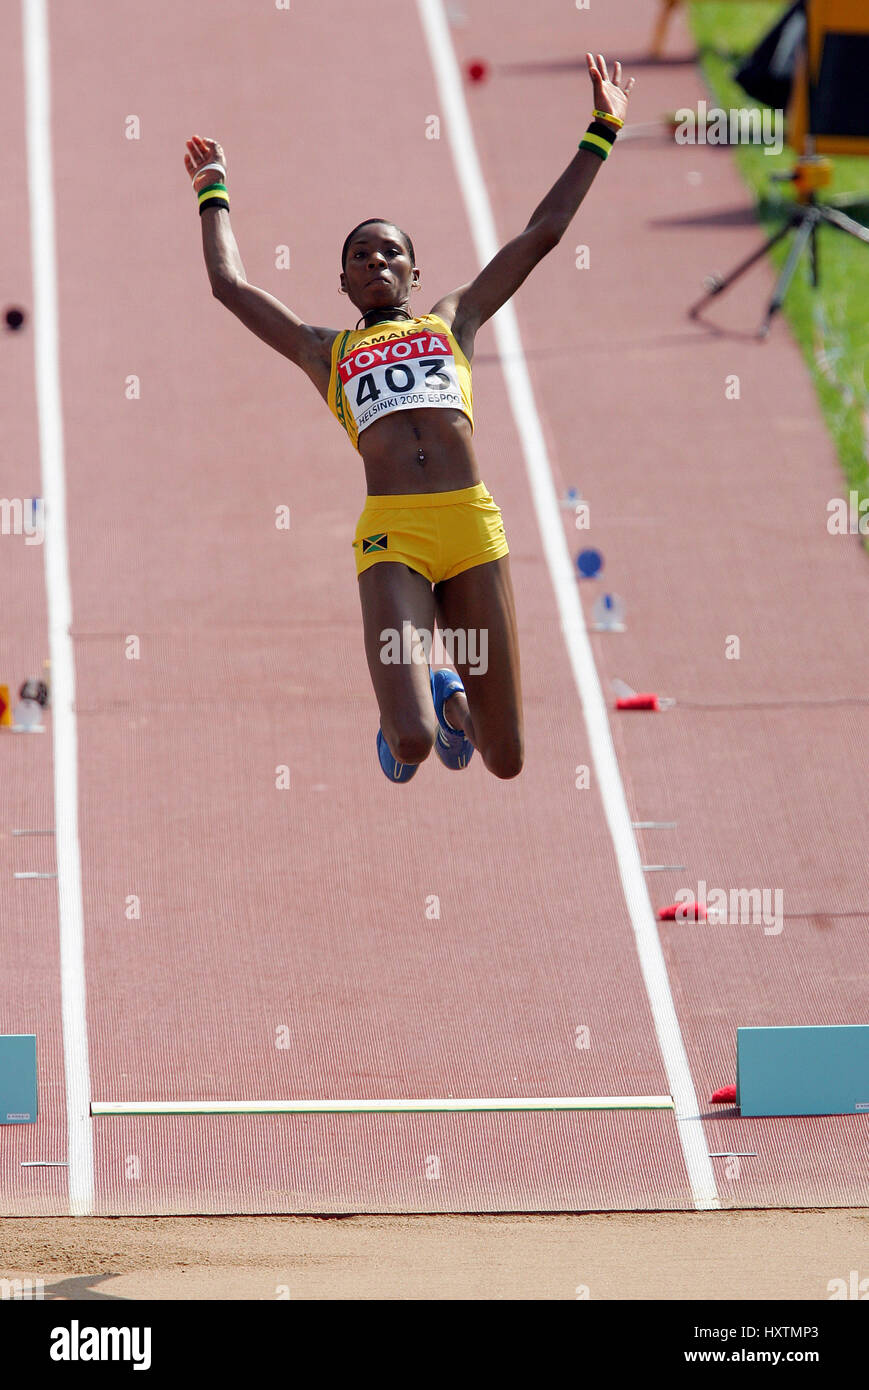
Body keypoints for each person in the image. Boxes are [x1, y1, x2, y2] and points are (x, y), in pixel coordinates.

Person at [184, 53, 634, 784]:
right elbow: (229, 286)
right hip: (394, 537)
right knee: (411, 742)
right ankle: (428, 701)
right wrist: (214, 192)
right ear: (343, 281)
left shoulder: (455, 318)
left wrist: (602, 127)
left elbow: (541, 233)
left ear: (414, 274)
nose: (375, 261)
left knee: (506, 759)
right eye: (360, 256)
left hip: (470, 529)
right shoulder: (322, 351)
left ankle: (454, 701)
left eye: (391, 252)